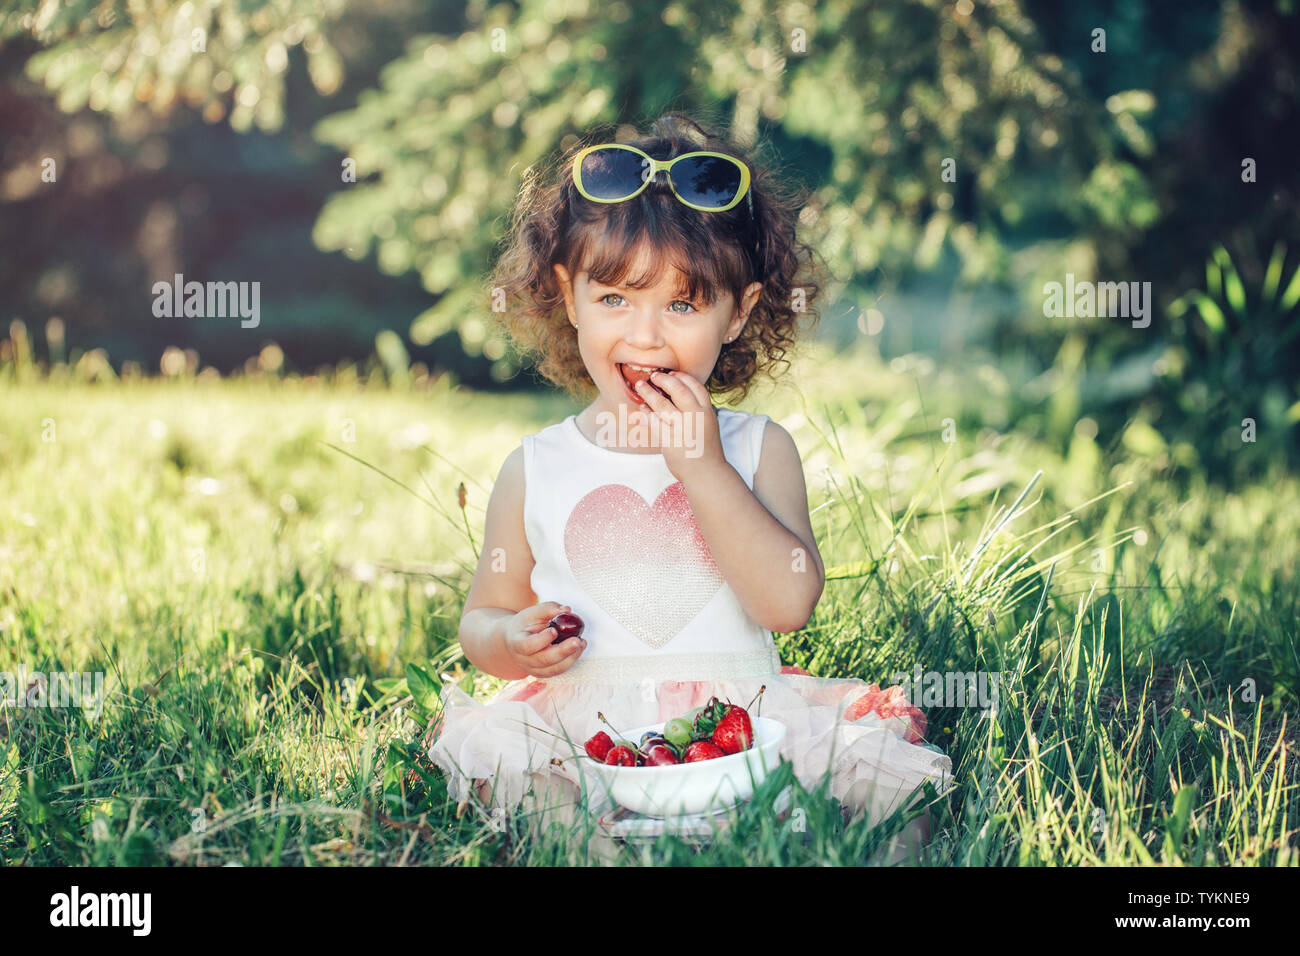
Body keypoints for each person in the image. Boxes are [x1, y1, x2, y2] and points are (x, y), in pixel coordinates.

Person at [426, 112, 954, 858]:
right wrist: (513, 641)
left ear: (737, 314)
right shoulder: (536, 466)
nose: (645, 335)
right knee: (530, 791)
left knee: (889, 797)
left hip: (747, 729)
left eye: (682, 305)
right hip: (588, 743)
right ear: (566, 295)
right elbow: (481, 619)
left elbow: (788, 603)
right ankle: (597, 849)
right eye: (614, 299)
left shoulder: (757, 449)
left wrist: (701, 466)